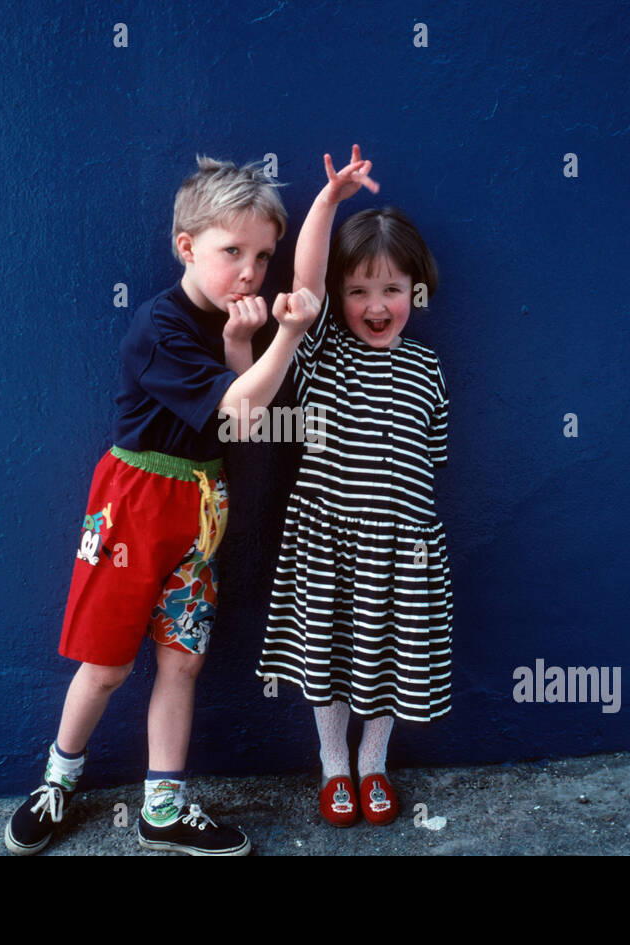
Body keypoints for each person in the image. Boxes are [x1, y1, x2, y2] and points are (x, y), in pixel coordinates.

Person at [6, 156, 320, 855]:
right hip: (135, 504)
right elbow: (238, 403)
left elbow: (241, 424)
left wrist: (244, 341)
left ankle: (163, 804)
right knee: (108, 663)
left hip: (202, 506)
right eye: (231, 251)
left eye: (264, 255)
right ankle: (58, 777)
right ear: (186, 245)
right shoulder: (160, 326)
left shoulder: (228, 321)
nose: (251, 270)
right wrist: (288, 336)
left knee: (182, 659)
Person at [257, 146, 452, 827]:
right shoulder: (323, 352)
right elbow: (304, 281)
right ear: (341, 296)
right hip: (328, 540)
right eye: (360, 290)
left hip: (400, 548)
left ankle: (374, 762)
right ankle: (333, 765)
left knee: (387, 655)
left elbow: (432, 460)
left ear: (416, 291)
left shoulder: (428, 370)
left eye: (392, 289)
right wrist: (327, 200)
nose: (376, 305)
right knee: (330, 654)